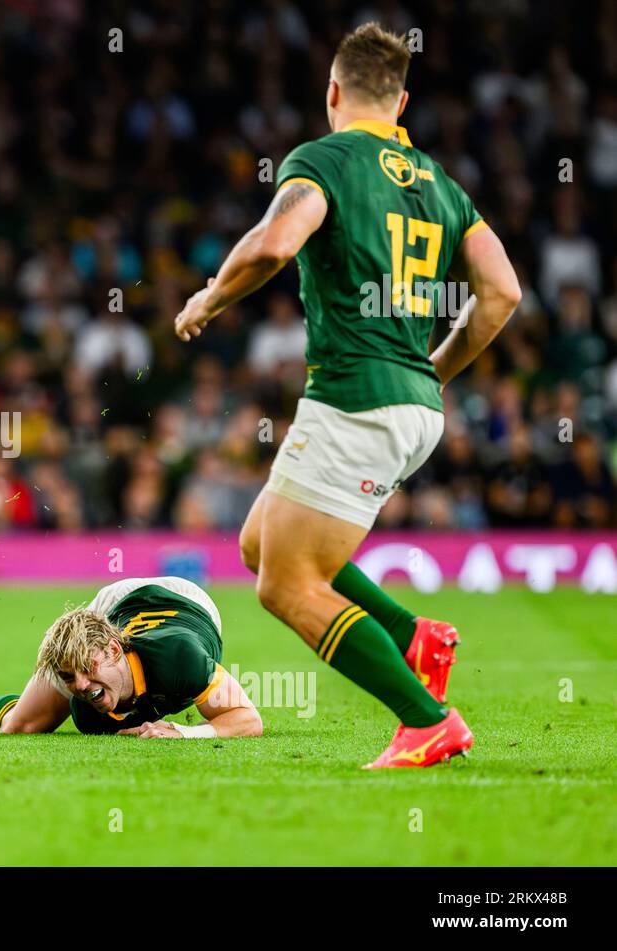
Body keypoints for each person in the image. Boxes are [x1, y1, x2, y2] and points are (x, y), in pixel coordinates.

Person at [173, 23, 521, 768]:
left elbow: (272, 243)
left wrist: (208, 300)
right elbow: (502, 294)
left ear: (332, 92)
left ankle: (425, 720)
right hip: (411, 400)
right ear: (402, 102)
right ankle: (411, 637)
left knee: (286, 584)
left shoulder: (323, 159)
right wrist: (432, 370)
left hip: (356, 397)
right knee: (258, 543)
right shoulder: (441, 182)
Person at [0, 577, 262, 741]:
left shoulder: (180, 658)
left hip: (178, 599)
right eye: (68, 678)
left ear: (111, 650)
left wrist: (185, 731)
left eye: (87, 670)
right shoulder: (90, 713)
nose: (79, 686)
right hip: (118, 617)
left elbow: (247, 719)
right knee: (22, 726)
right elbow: (80, 675)